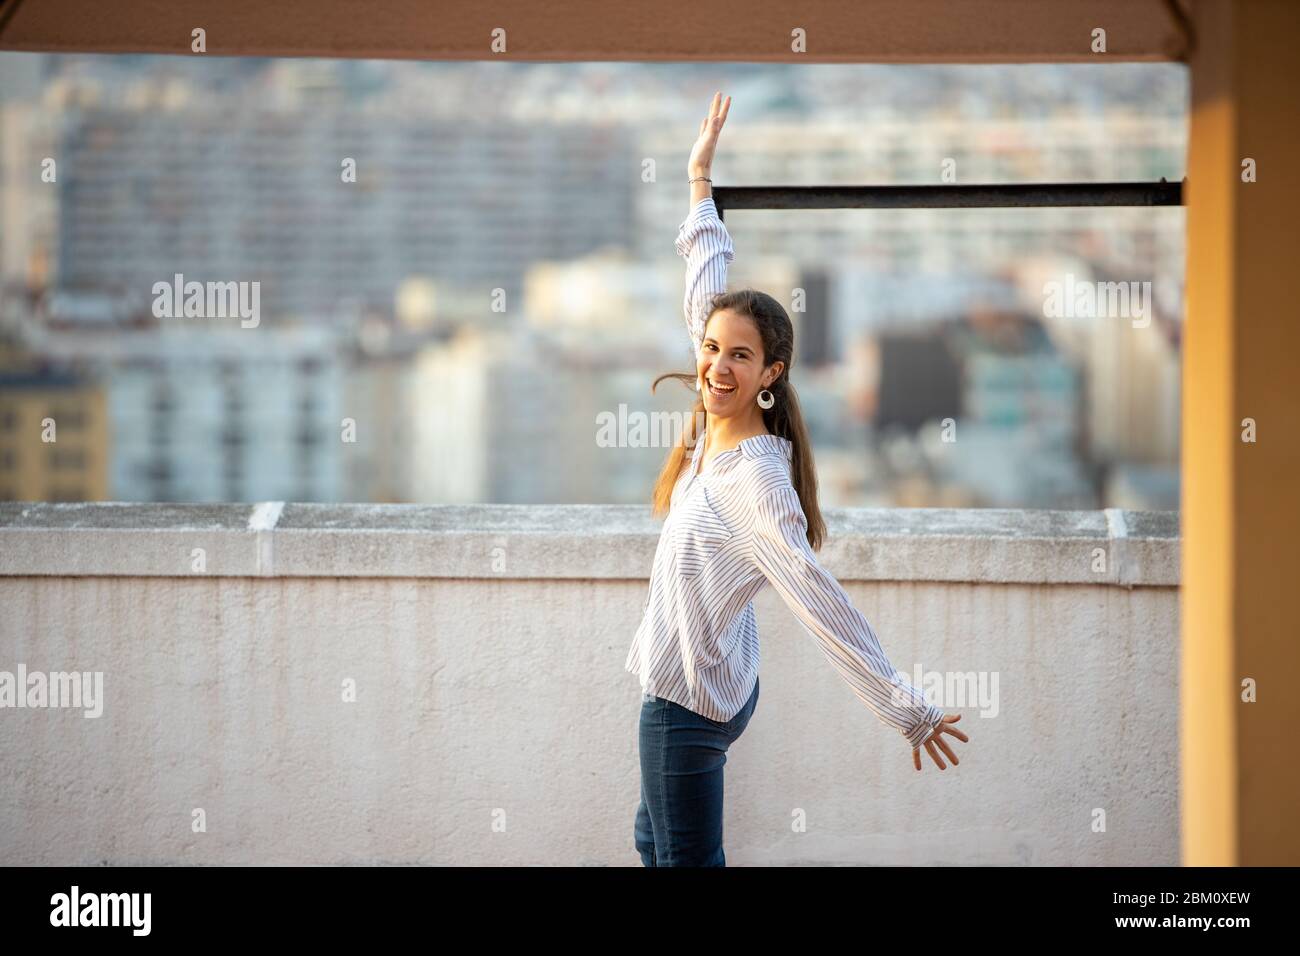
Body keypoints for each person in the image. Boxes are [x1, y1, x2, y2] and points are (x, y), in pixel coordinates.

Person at [626, 92, 968, 867]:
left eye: (739, 357)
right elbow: (704, 283)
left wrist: (904, 708)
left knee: (681, 859)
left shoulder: (756, 482)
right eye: (713, 348)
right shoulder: (722, 414)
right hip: (718, 683)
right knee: (652, 840)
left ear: (771, 373)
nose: (715, 364)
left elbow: (819, 600)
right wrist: (699, 182)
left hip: (685, 706)